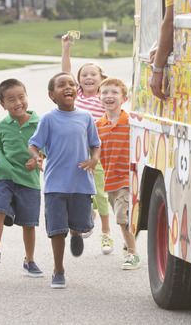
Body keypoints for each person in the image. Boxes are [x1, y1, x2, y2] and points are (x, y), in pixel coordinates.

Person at [28, 72, 101, 289]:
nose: (67, 87)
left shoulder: (86, 117)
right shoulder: (48, 119)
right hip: (55, 184)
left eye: (71, 84)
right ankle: (58, 270)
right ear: (52, 95)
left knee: (80, 221)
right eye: (61, 85)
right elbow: (33, 144)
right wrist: (36, 156)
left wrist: (94, 159)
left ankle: (77, 231)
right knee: (57, 228)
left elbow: (95, 143)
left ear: (77, 91)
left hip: (81, 182)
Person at [0, 78, 43, 278]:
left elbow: (48, 147)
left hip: (29, 179)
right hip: (6, 176)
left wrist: (36, 160)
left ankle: (29, 260)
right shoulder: (3, 125)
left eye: (21, 97)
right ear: (3, 105)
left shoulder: (39, 123)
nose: (17, 103)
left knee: (29, 223)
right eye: (11, 100)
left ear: (27, 97)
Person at [61, 35, 114, 254]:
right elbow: (65, 74)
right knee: (81, 192)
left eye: (93, 74)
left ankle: (106, 233)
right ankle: (88, 215)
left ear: (102, 78)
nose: (88, 77)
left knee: (100, 193)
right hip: (76, 153)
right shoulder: (77, 95)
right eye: (84, 75)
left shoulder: (104, 97)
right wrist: (66, 48)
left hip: (98, 153)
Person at [95, 77, 140, 270]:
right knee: (124, 218)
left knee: (123, 217)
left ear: (124, 98)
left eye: (114, 92)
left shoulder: (131, 122)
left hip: (128, 178)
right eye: (104, 92)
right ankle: (129, 242)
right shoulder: (98, 126)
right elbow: (94, 153)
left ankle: (132, 253)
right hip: (110, 180)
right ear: (99, 98)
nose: (109, 96)